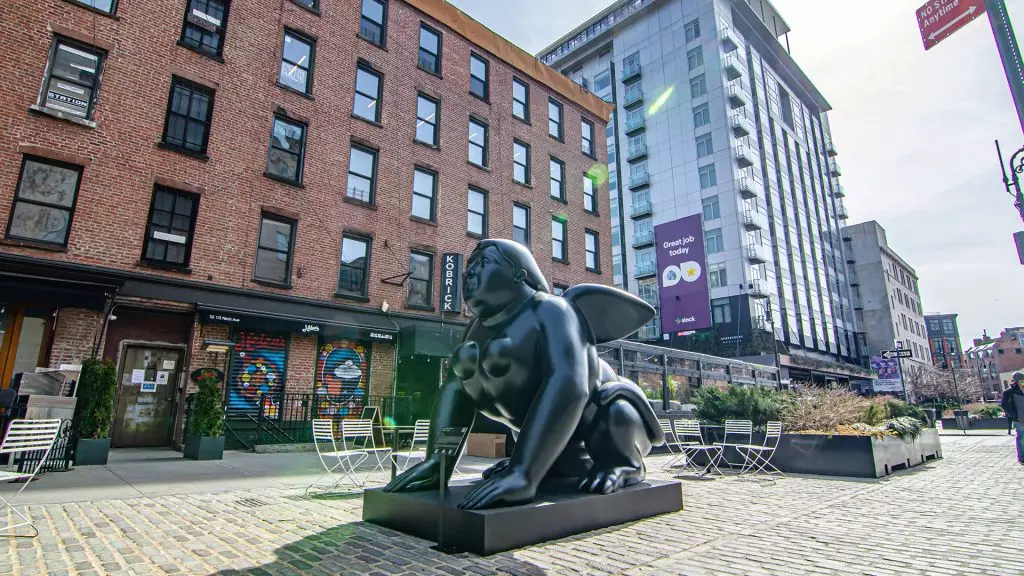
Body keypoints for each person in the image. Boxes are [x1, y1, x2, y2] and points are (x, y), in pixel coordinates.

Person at [999, 372, 1024, 463]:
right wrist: (1015, 415)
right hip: (1019, 419)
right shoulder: (1009, 391)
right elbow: (1004, 404)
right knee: (1021, 438)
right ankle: (1022, 458)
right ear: (1017, 381)